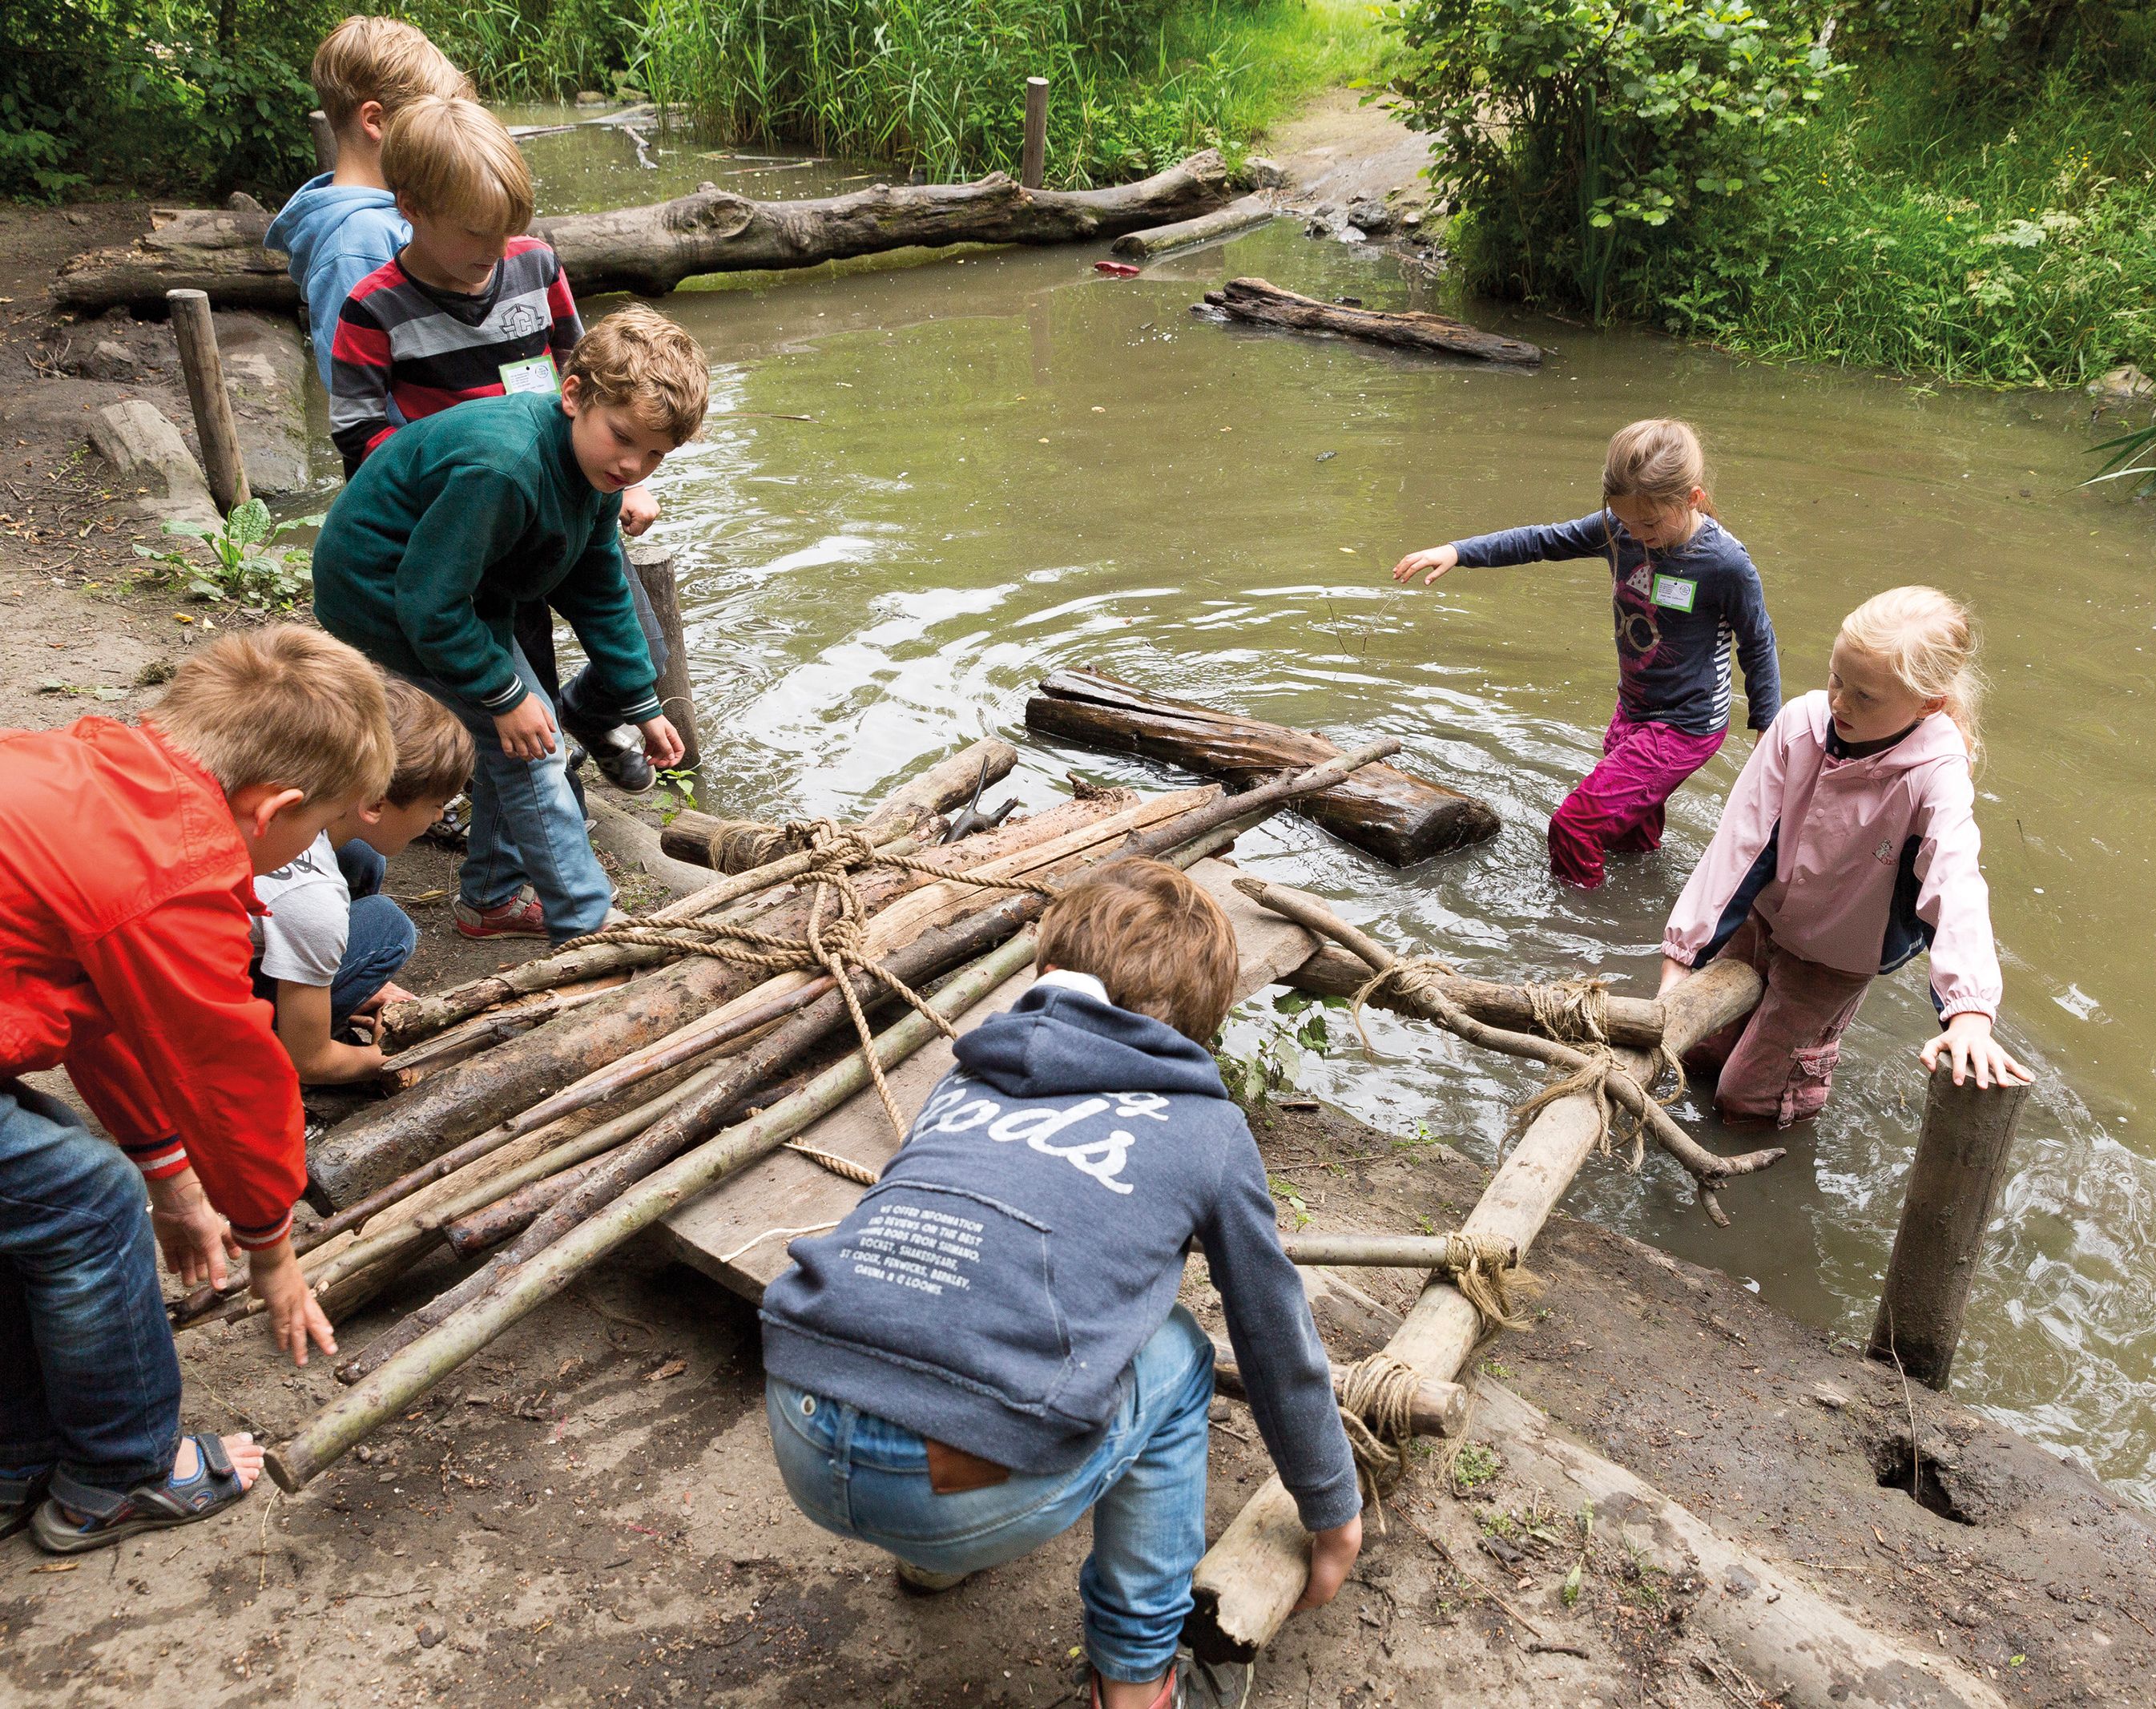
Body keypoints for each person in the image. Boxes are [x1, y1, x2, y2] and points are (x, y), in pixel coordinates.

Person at [760, 860, 1363, 1709]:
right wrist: (1332, 1510)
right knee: (1183, 1357)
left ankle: (933, 1564)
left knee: (946, 1294)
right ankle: (1137, 1685)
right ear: (1201, 1031)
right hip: (946, 1480)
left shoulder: (966, 1076)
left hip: (800, 1419)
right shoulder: (1206, 1128)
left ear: (1047, 979)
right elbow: (1273, 1336)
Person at [0, 627, 386, 1553]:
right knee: (82, 1196)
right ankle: (121, 1475)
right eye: (321, 829)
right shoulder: (169, 869)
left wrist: (171, 1178)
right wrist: (270, 1243)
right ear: (272, 809)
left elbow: (101, 1014)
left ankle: (17, 1453)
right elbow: (228, 1078)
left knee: (30, 1196)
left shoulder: (94, 776)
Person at [311, 304, 702, 942]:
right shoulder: (505, 467)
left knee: (516, 738)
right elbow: (428, 603)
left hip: (460, 583)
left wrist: (640, 703)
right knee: (535, 747)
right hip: (381, 589)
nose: (634, 466)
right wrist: (502, 692)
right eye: (624, 437)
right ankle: (587, 922)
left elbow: (600, 585)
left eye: (655, 455)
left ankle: (491, 896)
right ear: (573, 394)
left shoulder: (594, 475)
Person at [324, 93, 667, 790]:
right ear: (412, 207)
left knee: (643, 648)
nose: (494, 249)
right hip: (475, 526)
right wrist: (457, 498)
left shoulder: (534, 266)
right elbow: (361, 432)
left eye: (508, 229)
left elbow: (589, 371)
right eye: (477, 232)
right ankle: (528, 795)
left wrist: (628, 477)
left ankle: (587, 715)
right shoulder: (374, 306)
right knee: (519, 687)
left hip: (565, 488)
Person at [1658, 586, 2033, 1126]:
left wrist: (1969, 1012)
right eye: (1837, 678)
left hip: (1833, 959)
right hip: (1759, 920)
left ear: (1927, 704)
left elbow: (1956, 882)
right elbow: (1741, 840)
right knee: (1698, 1052)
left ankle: (1787, 1122)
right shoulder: (1799, 725)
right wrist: (1683, 954)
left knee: (1747, 1098)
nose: (1840, 702)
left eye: (1866, 696)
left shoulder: (1936, 775)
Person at [1391, 417, 1782, 889]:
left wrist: (1767, 727)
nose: (1636, 534)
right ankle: (1641, 899)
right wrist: (1459, 551)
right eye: (1628, 521)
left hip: (1685, 724)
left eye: (1650, 523)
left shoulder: (1724, 564)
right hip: (1635, 709)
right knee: (1627, 833)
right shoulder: (1619, 529)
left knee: (1575, 827)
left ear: (1692, 498)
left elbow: (1758, 642)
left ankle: (1581, 926)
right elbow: (1540, 541)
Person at [252, 679, 476, 1083]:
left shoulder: (294, 790)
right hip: (205, 1018)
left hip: (231, 956)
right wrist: (394, 1057)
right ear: (374, 804)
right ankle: (276, 1032)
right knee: (388, 927)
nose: (441, 816)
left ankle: (322, 989)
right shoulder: (314, 898)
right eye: (436, 804)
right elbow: (309, 1062)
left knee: (361, 857)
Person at [264, 15, 474, 396]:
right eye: (431, 124)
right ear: (375, 120)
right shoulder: (355, 245)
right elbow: (364, 395)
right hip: (418, 452)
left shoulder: (395, 215)